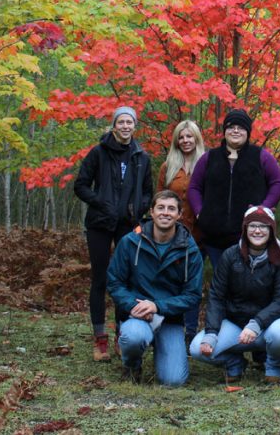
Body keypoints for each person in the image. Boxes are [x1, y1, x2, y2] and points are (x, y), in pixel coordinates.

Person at [74, 105, 154, 361]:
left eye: (129, 122)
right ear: (114, 125)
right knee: (100, 279)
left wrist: (138, 208)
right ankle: (99, 340)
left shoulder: (141, 156)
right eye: (121, 122)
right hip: (99, 223)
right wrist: (101, 202)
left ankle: (123, 334)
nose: (125, 126)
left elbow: (148, 191)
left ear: (135, 125)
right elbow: (81, 185)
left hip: (127, 226)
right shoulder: (98, 153)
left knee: (125, 280)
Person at [106, 190, 203, 385]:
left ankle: (165, 354)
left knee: (173, 380)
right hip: (137, 315)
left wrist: (157, 306)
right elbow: (114, 281)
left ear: (179, 215)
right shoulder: (130, 242)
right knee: (133, 337)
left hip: (170, 319)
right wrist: (135, 306)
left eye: (171, 209)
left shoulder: (190, 250)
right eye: (160, 207)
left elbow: (193, 295)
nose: (165, 213)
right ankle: (132, 365)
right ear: (151, 212)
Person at [189, 207, 280, 383]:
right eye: (252, 225)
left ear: (271, 230)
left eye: (264, 226)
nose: (258, 231)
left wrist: (257, 323)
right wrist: (212, 332)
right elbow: (217, 296)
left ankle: (274, 367)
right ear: (245, 229)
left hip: (269, 325)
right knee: (196, 349)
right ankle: (235, 363)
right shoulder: (230, 256)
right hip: (236, 324)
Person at [188, 109, 280, 266]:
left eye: (240, 127)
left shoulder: (261, 157)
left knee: (244, 283)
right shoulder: (209, 158)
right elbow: (194, 187)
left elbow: (278, 184)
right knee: (220, 282)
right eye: (231, 127)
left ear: (247, 132)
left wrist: (261, 210)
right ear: (224, 131)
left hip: (249, 237)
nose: (235, 131)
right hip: (214, 237)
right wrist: (200, 212)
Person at [156, 120, 205, 335]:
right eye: (181, 137)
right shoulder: (168, 167)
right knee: (172, 280)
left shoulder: (207, 163)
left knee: (192, 283)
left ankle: (191, 331)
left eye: (189, 136)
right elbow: (159, 198)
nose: (185, 140)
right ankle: (169, 327)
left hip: (200, 234)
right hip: (172, 234)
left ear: (196, 138)